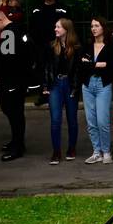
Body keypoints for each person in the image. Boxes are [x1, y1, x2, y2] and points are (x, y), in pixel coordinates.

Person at [0, 7, 28, 161]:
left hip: (11, 81)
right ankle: (17, 142)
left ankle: (17, 147)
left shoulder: (8, 32)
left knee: (14, 113)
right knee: (15, 113)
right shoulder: (16, 29)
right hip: (16, 79)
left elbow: (7, 58)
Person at [79, 17, 113, 164]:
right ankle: (96, 151)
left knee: (102, 120)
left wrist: (90, 64)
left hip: (103, 85)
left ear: (103, 28)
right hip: (88, 85)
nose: (93, 28)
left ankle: (106, 151)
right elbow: (81, 66)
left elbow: (111, 65)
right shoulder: (86, 46)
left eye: (96, 25)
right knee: (91, 121)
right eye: (92, 26)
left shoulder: (110, 46)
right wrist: (98, 64)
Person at [44, 17, 80, 163]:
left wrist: (76, 87)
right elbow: (47, 68)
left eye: (58, 27)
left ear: (66, 29)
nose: (55, 29)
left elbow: (78, 70)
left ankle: (71, 148)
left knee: (72, 119)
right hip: (56, 84)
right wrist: (46, 85)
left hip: (70, 84)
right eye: (55, 26)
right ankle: (56, 151)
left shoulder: (76, 48)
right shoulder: (52, 46)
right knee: (55, 119)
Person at [29, 0, 69, 107]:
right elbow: (32, 26)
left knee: (57, 67)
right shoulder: (37, 9)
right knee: (41, 68)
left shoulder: (62, 9)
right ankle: (44, 94)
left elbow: (67, 25)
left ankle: (58, 94)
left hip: (57, 43)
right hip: (40, 44)